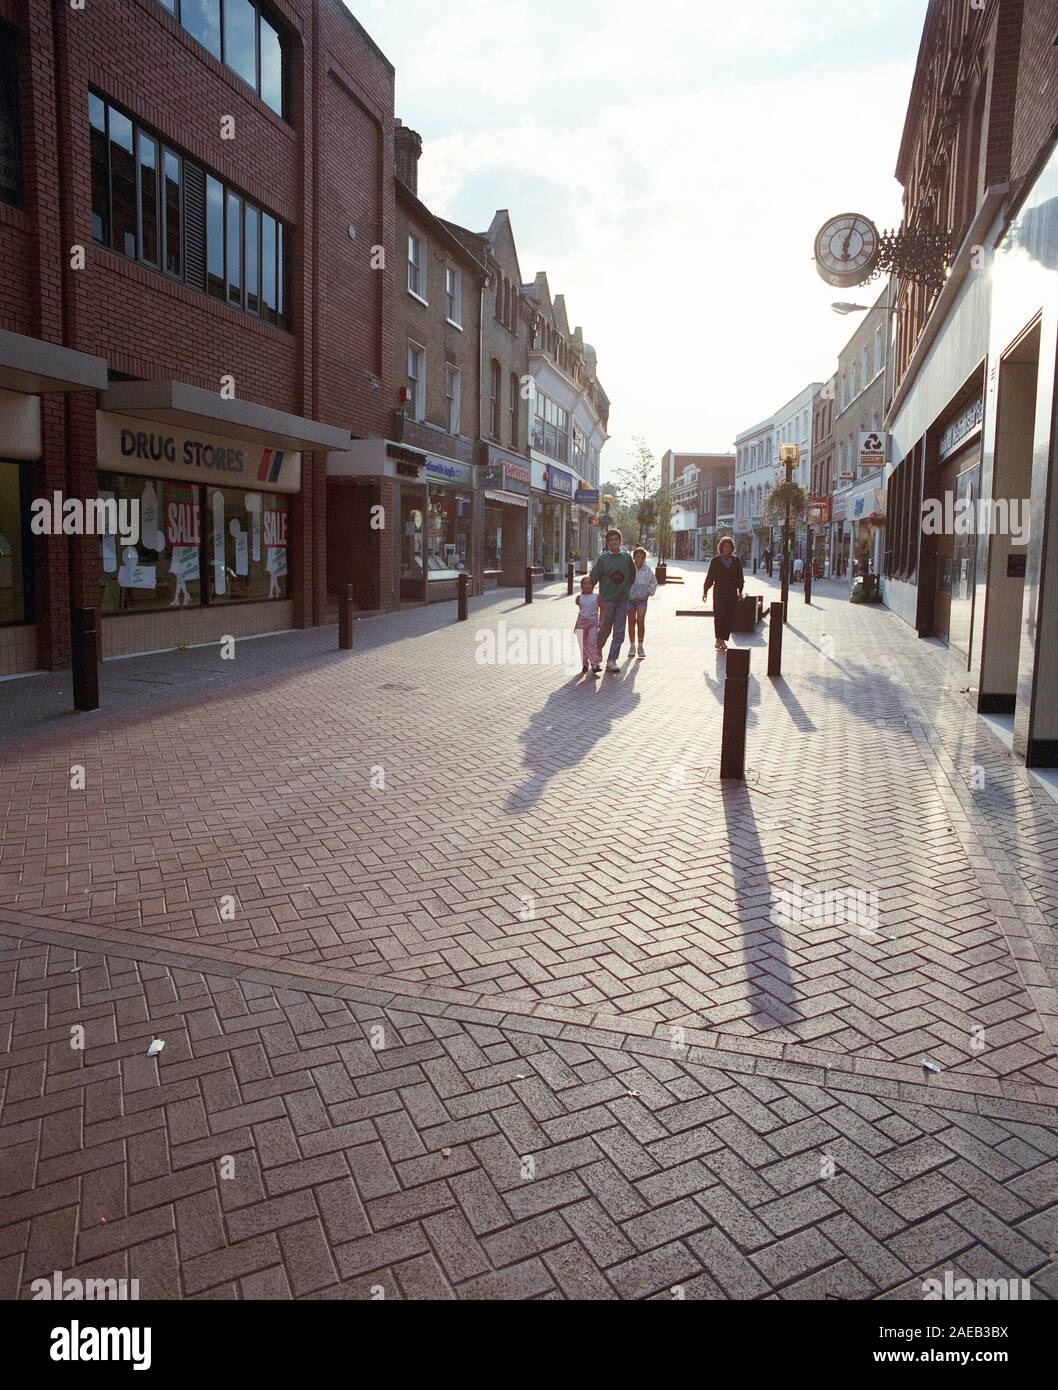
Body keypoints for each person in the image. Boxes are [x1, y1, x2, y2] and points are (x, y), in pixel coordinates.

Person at [589, 529, 636, 672]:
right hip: (607, 600)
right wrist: (588, 596)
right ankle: (597, 651)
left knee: (619, 631)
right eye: (611, 540)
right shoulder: (603, 559)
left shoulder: (627, 558)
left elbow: (632, 576)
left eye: (616, 539)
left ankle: (612, 660)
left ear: (620, 541)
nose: (614, 542)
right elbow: (593, 577)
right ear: (607, 542)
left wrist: (625, 590)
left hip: (622, 600)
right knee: (604, 629)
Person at [703, 536, 745, 652]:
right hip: (719, 593)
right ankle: (719, 639)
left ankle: (723, 638)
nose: (727, 549)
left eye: (729, 547)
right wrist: (705, 591)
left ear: (732, 548)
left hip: (731, 593)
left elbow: (740, 578)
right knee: (720, 615)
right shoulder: (716, 561)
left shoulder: (736, 561)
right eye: (725, 547)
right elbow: (710, 577)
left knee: (729, 617)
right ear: (721, 548)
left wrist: (740, 591)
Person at [626, 547, 658, 659]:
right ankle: (632, 645)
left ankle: (640, 645)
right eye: (638, 557)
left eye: (642, 558)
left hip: (642, 600)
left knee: (640, 620)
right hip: (630, 600)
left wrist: (648, 592)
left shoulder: (647, 570)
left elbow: (653, 583)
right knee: (631, 621)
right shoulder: (629, 569)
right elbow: (623, 582)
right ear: (634, 557)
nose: (640, 559)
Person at [574, 578, 601, 675]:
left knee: (591, 643)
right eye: (585, 584)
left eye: (590, 583)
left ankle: (595, 664)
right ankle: (585, 664)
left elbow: (602, 608)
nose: (588, 585)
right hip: (581, 624)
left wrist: (601, 621)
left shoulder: (596, 597)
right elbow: (580, 612)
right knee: (582, 645)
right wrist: (576, 625)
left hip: (593, 623)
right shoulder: (578, 599)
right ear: (581, 586)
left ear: (593, 586)